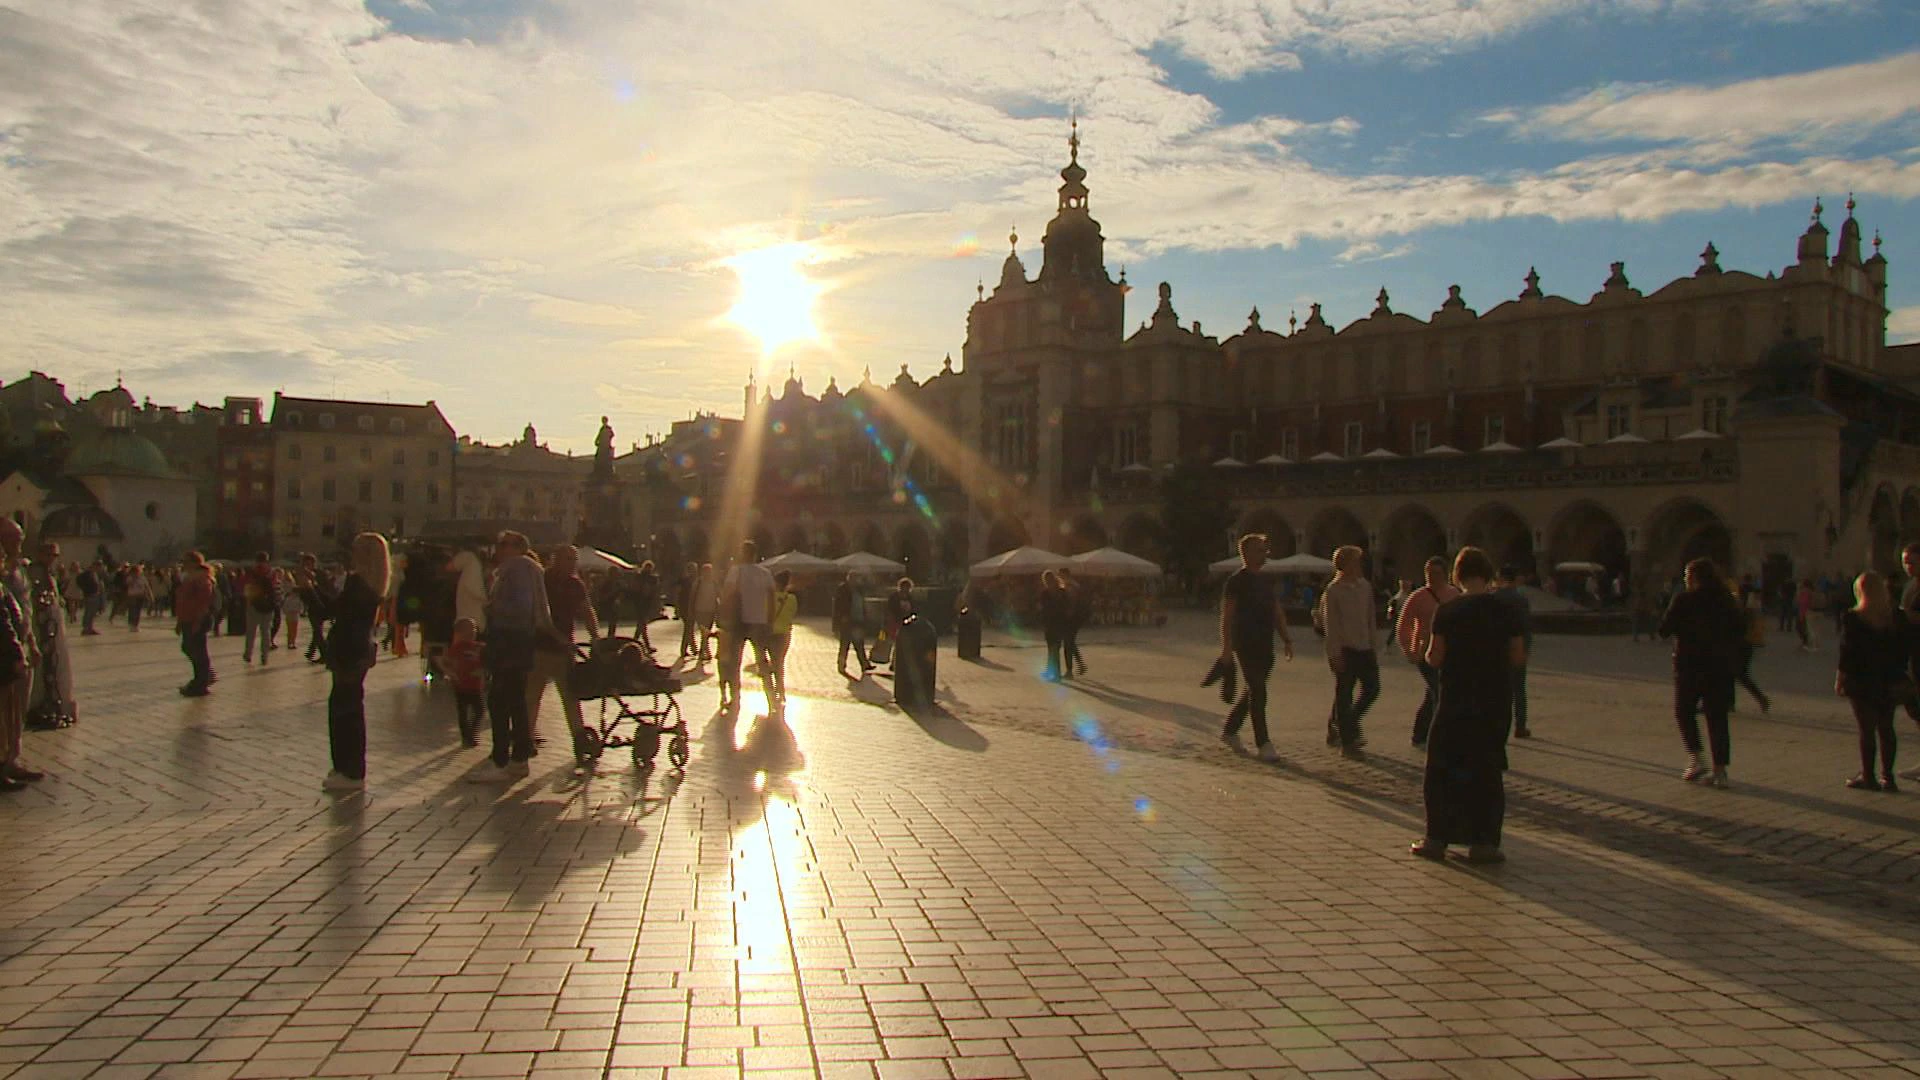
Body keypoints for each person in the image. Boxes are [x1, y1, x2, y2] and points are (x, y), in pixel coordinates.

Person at [1412, 545, 1527, 864]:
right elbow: (1518, 656)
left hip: (1456, 699)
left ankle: (1437, 838)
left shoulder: (1448, 611)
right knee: (1487, 768)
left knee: (1442, 766)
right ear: (1487, 574)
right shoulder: (1507, 610)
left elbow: (1435, 657)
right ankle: (1484, 842)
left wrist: (1425, 651)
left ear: (1458, 576)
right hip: (1494, 700)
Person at [470, 532, 554, 783]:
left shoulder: (517, 568)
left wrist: (491, 607)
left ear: (518, 547)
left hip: (509, 640)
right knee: (515, 700)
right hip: (520, 641)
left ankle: (503, 760)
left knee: (500, 700)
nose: (498, 549)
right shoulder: (529, 568)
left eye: (503, 544)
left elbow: (520, 607)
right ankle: (518, 757)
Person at [1658, 557, 1746, 788]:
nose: (1685, 580)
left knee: (1684, 711)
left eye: (1687, 576)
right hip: (1719, 667)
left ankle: (1696, 757)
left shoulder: (1684, 599)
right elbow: (1740, 629)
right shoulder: (1726, 600)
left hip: (1690, 666)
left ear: (1695, 577)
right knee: (1717, 718)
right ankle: (1720, 772)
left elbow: (1664, 629)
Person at [1217, 533, 1296, 762]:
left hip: (1265, 642)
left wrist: (1286, 638)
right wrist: (1226, 647)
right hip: (1245, 642)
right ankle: (1264, 743)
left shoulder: (1266, 580)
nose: (1265, 554)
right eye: (1260, 550)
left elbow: (1276, 610)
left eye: (1265, 550)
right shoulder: (1236, 581)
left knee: (1253, 689)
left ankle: (1230, 729)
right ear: (1247, 553)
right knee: (1258, 690)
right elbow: (1227, 616)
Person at [321, 533, 389, 792]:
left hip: (348, 648)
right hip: (358, 647)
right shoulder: (374, 583)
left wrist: (312, 589)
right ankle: (348, 767)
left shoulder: (358, 582)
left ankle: (349, 769)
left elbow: (336, 610)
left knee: (343, 710)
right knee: (349, 707)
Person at [527, 544, 599, 774]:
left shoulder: (575, 584)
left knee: (570, 697)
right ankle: (525, 740)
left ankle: (579, 741)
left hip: (563, 651)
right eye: (567, 559)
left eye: (573, 560)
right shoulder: (542, 580)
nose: (571, 564)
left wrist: (596, 637)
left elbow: (587, 610)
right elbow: (538, 617)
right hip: (539, 647)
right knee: (532, 697)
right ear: (555, 559)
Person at [1837, 571, 1907, 792]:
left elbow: (1847, 653)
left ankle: (1868, 776)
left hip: (1861, 680)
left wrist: (1840, 679)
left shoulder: (1854, 618)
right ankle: (1888, 777)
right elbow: (1903, 650)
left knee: (1867, 730)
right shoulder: (1896, 617)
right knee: (1886, 728)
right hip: (1889, 679)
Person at [1320, 545, 1379, 757]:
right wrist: (1334, 654)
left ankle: (1346, 723)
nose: (1359, 565)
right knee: (1344, 694)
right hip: (1345, 648)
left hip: (1365, 647)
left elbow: (1370, 617)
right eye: (1355, 561)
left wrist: (1373, 644)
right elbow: (1331, 625)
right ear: (1345, 564)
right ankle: (1348, 742)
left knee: (1372, 689)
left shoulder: (1365, 587)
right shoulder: (1334, 590)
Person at [1396, 555, 1460, 749]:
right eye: (1429, 573)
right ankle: (1439, 736)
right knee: (1439, 692)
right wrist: (1409, 650)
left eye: (1436, 573)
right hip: (1425, 652)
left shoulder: (1455, 595)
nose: (1432, 577)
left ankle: (1420, 732)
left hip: (1450, 652)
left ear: (1445, 574)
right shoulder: (1418, 597)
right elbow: (1403, 626)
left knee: (1433, 693)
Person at [0, 519, 41, 789]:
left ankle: (13, 757)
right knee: (4, 711)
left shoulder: (19, 570)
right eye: (14, 538)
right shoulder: (3, 574)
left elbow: (25, 610)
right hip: (6, 650)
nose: (19, 543)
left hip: (20, 643)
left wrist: (32, 643)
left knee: (17, 709)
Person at [719, 541, 777, 707]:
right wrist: (770, 620)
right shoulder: (765, 573)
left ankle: (735, 698)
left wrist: (724, 615)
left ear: (742, 553)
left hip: (739, 622)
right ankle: (771, 698)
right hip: (760, 622)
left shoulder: (735, 571)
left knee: (734, 662)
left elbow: (727, 595)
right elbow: (772, 598)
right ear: (755, 554)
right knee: (762, 661)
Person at [1496, 567, 1534, 738]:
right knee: (1518, 689)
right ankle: (1520, 726)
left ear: (1500, 578)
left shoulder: (1493, 598)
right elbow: (1526, 627)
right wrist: (1526, 649)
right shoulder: (1521, 600)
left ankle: (1498, 725)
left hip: (1496, 649)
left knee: (1498, 690)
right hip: (1517, 647)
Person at [174, 551, 217, 697]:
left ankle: (201, 682)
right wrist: (179, 622)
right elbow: (182, 601)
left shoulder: (203, 578)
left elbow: (204, 602)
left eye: (186, 561)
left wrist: (198, 621)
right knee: (189, 647)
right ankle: (203, 677)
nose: (184, 564)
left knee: (197, 650)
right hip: (188, 618)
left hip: (197, 619)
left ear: (195, 563)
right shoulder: (189, 578)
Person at [446, 617, 486, 747]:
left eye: (474, 628)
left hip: (475, 686)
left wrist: (483, 671)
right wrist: (452, 673)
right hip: (461, 685)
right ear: (460, 632)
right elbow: (449, 662)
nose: (473, 631)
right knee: (463, 712)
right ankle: (466, 736)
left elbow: (485, 662)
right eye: (469, 629)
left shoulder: (479, 647)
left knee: (479, 711)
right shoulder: (457, 647)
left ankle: (471, 732)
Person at [1734, 580, 1771, 714]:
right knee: (1737, 674)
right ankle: (1760, 699)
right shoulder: (1752, 607)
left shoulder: (1744, 608)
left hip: (1741, 644)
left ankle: (1761, 698)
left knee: (1737, 674)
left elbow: (1740, 626)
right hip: (1747, 644)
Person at [832, 572, 872, 678]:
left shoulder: (859, 590)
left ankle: (865, 665)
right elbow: (837, 605)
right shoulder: (843, 589)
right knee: (845, 644)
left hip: (858, 620)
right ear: (849, 578)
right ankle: (841, 665)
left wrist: (865, 616)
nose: (856, 581)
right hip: (847, 621)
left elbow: (862, 603)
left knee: (859, 644)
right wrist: (839, 620)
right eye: (854, 578)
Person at [241, 552, 277, 666]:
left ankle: (248, 654)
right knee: (265, 632)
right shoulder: (272, 573)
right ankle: (264, 656)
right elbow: (276, 589)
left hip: (254, 604)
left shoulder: (252, 572)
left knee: (251, 632)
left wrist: (248, 601)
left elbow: (246, 588)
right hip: (268, 606)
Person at [768, 570, 798, 705]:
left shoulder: (770, 598)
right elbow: (792, 614)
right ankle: (781, 690)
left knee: (772, 663)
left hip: (771, 633)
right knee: (779, 663)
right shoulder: (792, 599)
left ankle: (775, 690)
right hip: (785, 634)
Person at [1039, 570, 1070, 682]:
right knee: (1053, 649)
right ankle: (1051, 671)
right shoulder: (1061, 592)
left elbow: (1043, 609)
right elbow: (1067, 607)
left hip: (1053, 623)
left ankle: (1055, 673)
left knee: (1053, 649)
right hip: (1057, 623)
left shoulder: (1046, 593)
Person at [1058, 567, 1088, 677]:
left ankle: (1069, 670)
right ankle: (1080, 664)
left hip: (1071, 618)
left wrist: (1067, 614)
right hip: (1075, 618)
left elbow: (1072, 602)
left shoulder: (1070, 586)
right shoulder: (1072, 585)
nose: (1059, 577)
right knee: (1070, 642)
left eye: (1060, 575)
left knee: (1068, 643)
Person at [884, 577, 916, 672]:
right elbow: (889, 610)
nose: (906, 589)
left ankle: (897, 663)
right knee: (897, 643)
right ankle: (894, 663)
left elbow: (914, 609)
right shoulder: (894, 597)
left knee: (903, 644)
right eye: (904, 586)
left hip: (907, 623)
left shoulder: (910, 598)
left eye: (908, 587)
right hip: (895, 623)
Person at [677, 562, 700, 660]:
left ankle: (691, 649)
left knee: (689, 629)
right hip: (686, 607)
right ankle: (687, 650)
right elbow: (679, 595)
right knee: (688, 629)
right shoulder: (688, 581)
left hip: (688, 607)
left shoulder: (693, 581)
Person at [76, 560, 103, 635]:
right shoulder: (87, 573)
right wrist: (86, 589)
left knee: (92, 613)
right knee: (88, 612)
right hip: (89, 595)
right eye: (98, 566)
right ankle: (86, 628)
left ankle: (90, 628)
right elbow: (79, 581)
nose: (99, 568)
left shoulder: (94, 573)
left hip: (95, 595)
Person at [124, 563, 150, 632]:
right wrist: (134, 579)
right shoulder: (130, 578)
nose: (137, 572)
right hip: (132, 596)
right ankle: (132, 624)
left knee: (138, 611)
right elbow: (127, 585)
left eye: (139, 571)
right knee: (132, 611)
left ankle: (136, 625)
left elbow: (147, 586)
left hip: (140, 596)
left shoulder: (143, 578)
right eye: (136, 571)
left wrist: (150, 595)